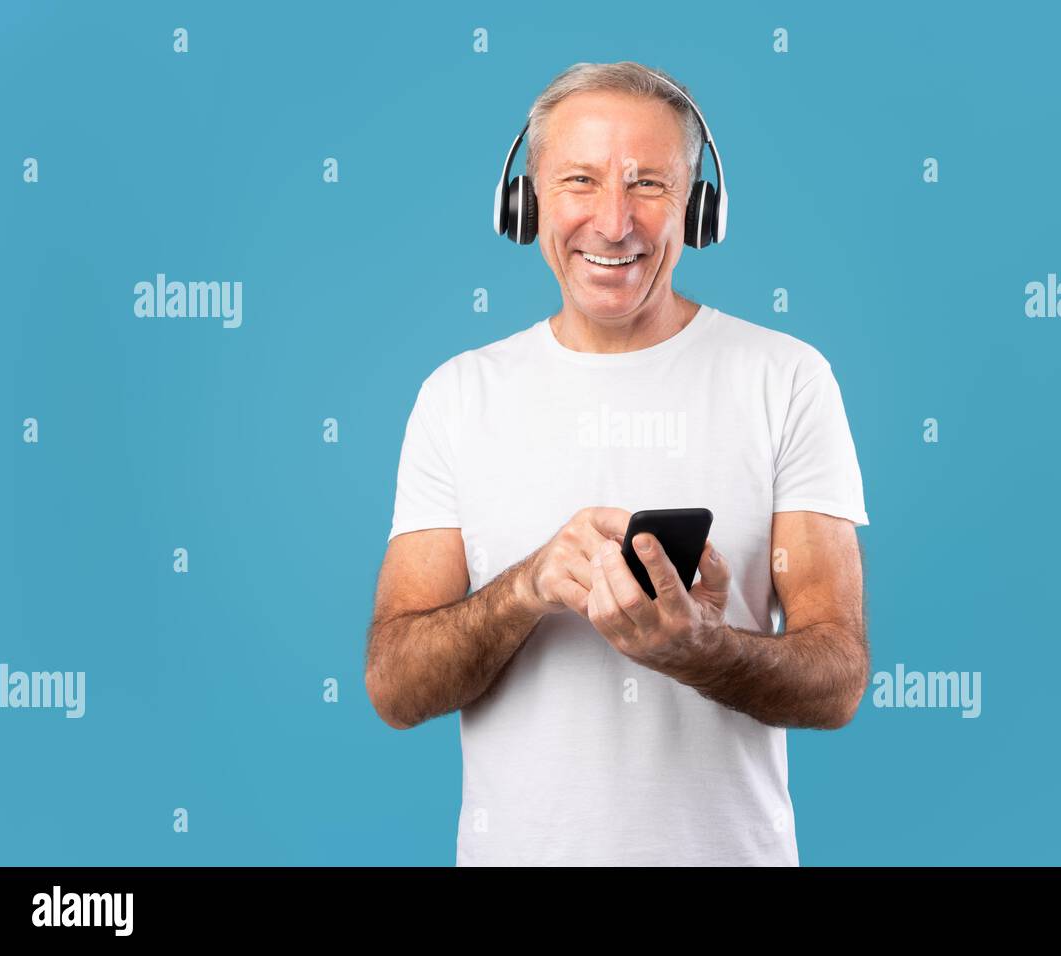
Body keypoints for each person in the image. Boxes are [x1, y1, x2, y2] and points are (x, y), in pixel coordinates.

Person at [365, 61, 871, 866]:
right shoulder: (457, 396)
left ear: (697, 208)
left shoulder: (786, 379)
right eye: (579, 181)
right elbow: (395, 685)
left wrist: (698, 649)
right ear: (526, 202)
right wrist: (525, 589)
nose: (613, 222)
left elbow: (838, 677)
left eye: (647, 185)